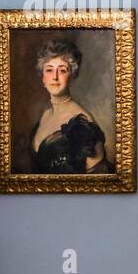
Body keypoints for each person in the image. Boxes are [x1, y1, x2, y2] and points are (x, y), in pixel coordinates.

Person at [27, 38, 114, 174]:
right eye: (49, 70)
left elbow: (98, 177)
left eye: (62, 70)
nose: (55, 77)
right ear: (43, 78)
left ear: (72, 75)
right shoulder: (45, 115)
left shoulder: (82, 122)